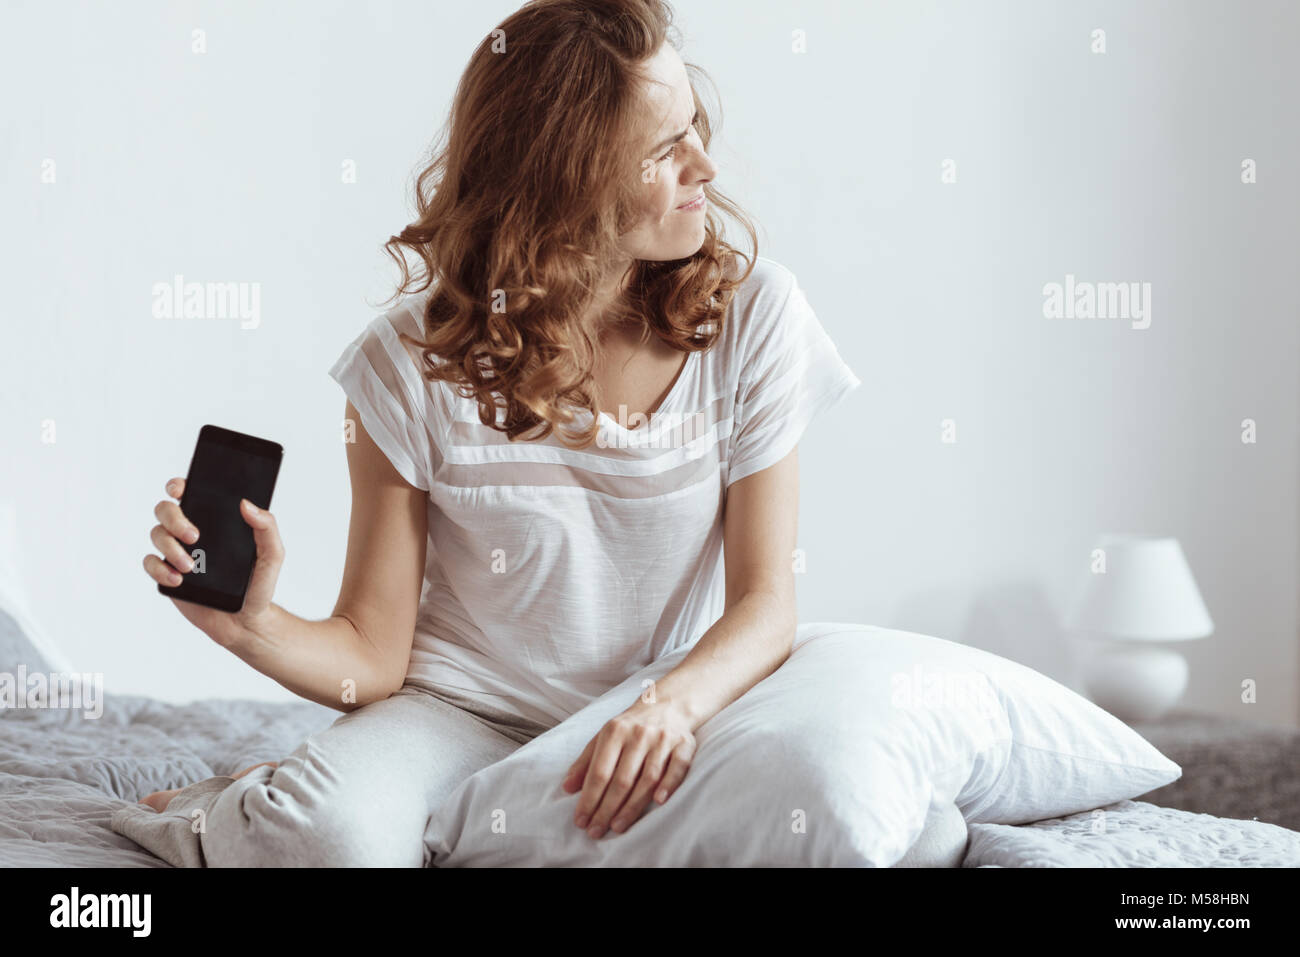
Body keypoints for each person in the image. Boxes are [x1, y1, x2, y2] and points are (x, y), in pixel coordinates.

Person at [134, 0, 859, 866]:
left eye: (694, 126)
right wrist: (250, 625)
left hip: (651, 710)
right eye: (665, 149)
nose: (704, 163)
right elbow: (374, 654)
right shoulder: (405, 364)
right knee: (330, 838)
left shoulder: (754, 319)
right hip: (456, 717)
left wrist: (669, 704)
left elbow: (764, 604)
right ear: (568, 180)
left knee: (851, 824)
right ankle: (235, 805)